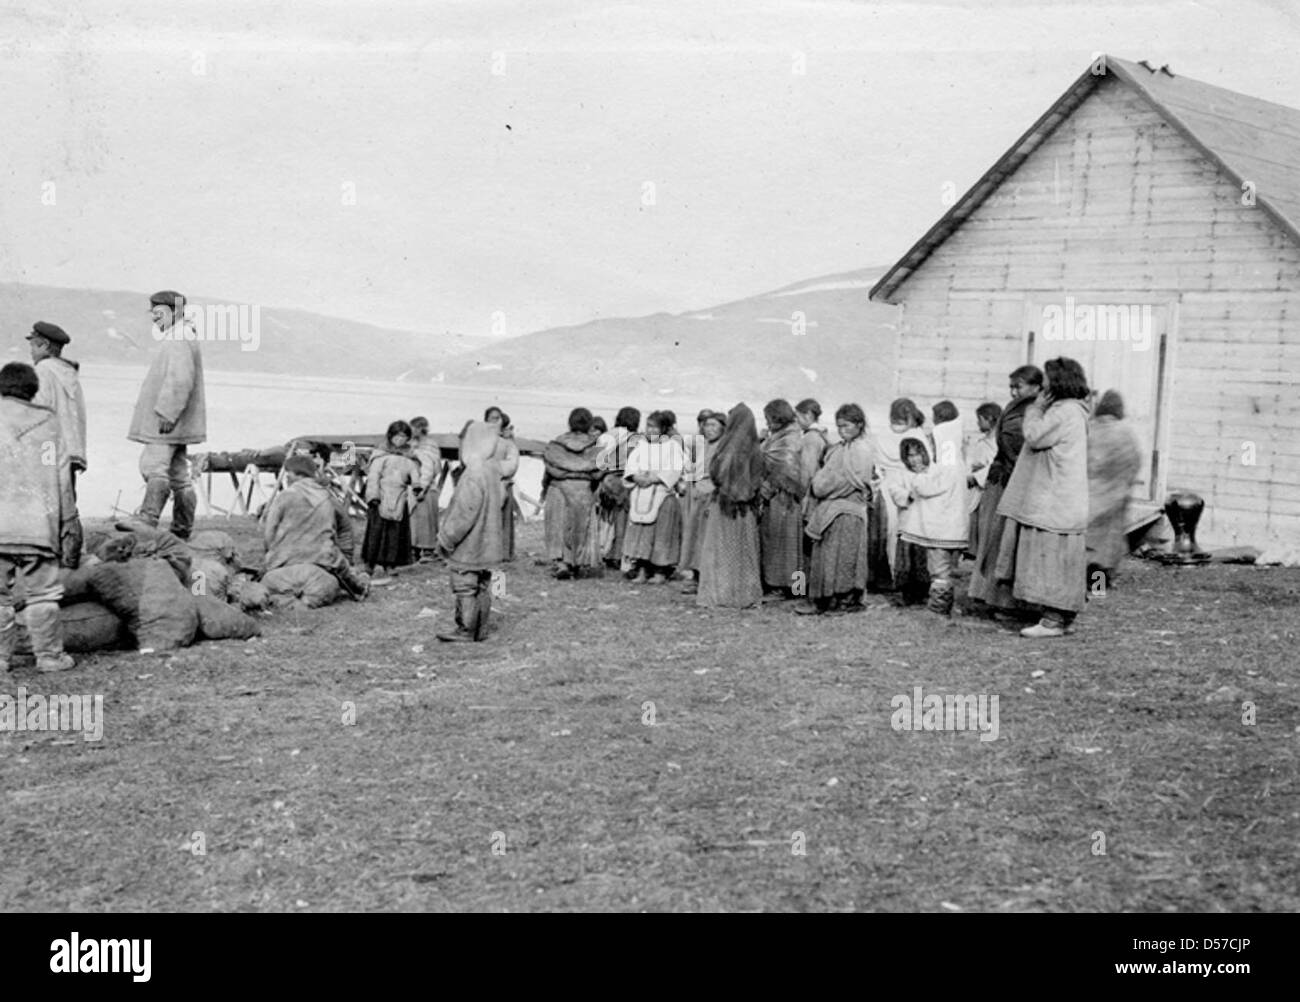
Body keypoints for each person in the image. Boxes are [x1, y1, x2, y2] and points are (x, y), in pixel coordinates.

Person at [996, 357, 1091, 638]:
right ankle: (1058, 616)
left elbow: (1034, 436)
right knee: (1060, 559)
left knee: (1050, 559)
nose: (1043, 388)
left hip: (1054, 499)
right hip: (1063, 499)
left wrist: (1035, 408)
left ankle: (1052, 621)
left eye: (1047, 382)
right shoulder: (1074, 410)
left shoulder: (1062, 413)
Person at [0, 362, 77, 673]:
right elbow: (62, 477)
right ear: (32, 391)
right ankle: (49, 657)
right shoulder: (49, 422)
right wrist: (69, 519)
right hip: (38, 525)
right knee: (43, 594)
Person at [128, 290, 206, 540]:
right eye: (154, 314)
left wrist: (167, 412)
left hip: (167, 421)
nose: (155, 319)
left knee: (154, 467)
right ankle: (182, 529)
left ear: (176, 312)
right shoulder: (183, 335)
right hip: (179, 422)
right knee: (179, 476)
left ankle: (148, 520)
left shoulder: (178, 338)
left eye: (160, 314)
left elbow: (180, 379)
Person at [967, 365, 1044, 618]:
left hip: (1016, 484)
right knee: (996, 540)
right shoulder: (1017, 408)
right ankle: (991, 595)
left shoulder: (1035, 412)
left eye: (1018, 386)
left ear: (1035, 386)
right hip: (1002, 481)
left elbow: (1023, 450)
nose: (1013, 392)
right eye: (1011, 386)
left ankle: (1013, 603)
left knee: (1010, 543)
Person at [798, 403, 878, 615]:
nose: (842, 430)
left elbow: (845, 480)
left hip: (847, 509)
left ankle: (843, 600)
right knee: (828, 555)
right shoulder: (841, 447)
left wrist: (820, 485)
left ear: (859, 425)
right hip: (832, 506)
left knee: (844, 557)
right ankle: (825, 598)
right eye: (839, 426)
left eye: (847, 425)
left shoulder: (860, 450)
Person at [263, 455, 369, 600]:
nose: (287, 479)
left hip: (285, 557)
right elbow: (345, 528)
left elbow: (270, 531)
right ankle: (359, 587)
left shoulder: (284, 496)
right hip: (324, 557)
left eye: (289, 475)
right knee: (352, 581)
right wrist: (347, 559)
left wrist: (271, 553)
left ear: (299, 474)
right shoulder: (327, 496)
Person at [435, 421, 504, 642]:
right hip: (488, 543)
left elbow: (463, 513)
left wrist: (446, 539)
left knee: (464, 585)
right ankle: (480, 628)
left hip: (470, 544)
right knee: (482, 584)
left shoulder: (473, 473)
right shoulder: (492, 470)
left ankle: (465, 629)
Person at [889, 434, 969, 616]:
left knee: (937, 567)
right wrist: (906, 495)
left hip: (935, 528)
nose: (915, 459)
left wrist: (917, 483)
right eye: (909, 456)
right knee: (916, 563)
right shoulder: (902, 473)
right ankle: (914, 596)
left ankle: (938, 606)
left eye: (918, 454)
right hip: (913, 526)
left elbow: (926, 488)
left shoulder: (939, 471)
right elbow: (895, 490)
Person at [28, 322, 87, 568]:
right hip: (72, 450)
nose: (31, 350)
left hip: (50, 450)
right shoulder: (69, 374)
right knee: (68, 505)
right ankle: (70, 559)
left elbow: (38, 413)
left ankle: (53, 560)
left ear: (43, 345)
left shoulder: (42, 371)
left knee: (49, 508)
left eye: (33, 344)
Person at [696, 403, 764, 609]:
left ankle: (722, 594)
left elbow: (717, 473)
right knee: (743, 552)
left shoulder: (729, 447)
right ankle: (744, 594)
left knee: (721, 550)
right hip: (746, 510)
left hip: (725, 506)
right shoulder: (755, 448)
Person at [1086, 390, 1143, 591]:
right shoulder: (1125, 433)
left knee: (1090, 547)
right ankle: (1100, 585)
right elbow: (1135, 461)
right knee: (1108, 548)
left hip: (1091, 495)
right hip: (1116, 497)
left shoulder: (1090, 430)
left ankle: (1088, 583)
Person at [623, 410, 685, 584]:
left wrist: (654, 478)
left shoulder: (672, 446)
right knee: (641, 533)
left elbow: (675, 469)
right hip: (641, 494)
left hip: (661, 493)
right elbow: (631, 465)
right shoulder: (640, 445)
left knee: (662, 534)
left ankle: (660, 571)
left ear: (663, 429)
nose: (650, 430)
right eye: (648, 426)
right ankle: (642, 569)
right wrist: (636, 477)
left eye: (654, 427)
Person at [543, 407, 602, 579]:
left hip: (559, 488)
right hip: (583, 489)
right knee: (581, 527)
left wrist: (564, 475)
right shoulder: (596, 447)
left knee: (558, 525)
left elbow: (549, 470)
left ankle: (562, 563)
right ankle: (578, 562)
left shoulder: (555, 445)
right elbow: (598, 473)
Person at [875, 397, 930, 577]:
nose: (896, 425)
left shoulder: (917, 436)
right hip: (891, 486)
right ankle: (891, 573)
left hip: (911, 485)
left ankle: (904, 575)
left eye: (901, 421)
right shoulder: (889, 435)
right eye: (895, 421)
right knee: (891, 529)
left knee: (905, 531)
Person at [758, 399, 805, 598]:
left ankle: (786, 587)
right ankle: (793, 587)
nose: (767, 423)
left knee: (784, 544)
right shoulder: (780, 435)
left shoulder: (790, 438)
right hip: (780, 497)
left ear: (778, 418)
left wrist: (766, 489)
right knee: (784, 544)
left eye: (769, 419)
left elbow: (784, 469)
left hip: (783, 497)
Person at [362, 421, 418, 582]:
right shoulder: (380, 453)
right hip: (380, 497)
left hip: (399, 498)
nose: (400, 440)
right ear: (390, 436)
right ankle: (370, 564)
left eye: (404, 436)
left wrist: (414, 485)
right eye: (397, 436)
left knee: (395, 533)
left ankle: (390, 564)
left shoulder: (409, 455)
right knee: (376, 532)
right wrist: (373, 496)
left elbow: (413, 474)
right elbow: (373, 476)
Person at [680, 410, 725, 594]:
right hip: (698, 494)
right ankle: (696, 576)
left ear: (723, 427)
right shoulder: (701, 445)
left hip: (714, 496)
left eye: (714, 425)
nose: (709, 429)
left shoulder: (724, 447)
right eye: (707, 425)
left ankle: (709, 579)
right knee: (695, 536)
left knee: (709, 538)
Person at [594, 406, 641, 571]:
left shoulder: (607, 436)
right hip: (628, 481)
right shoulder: (637, 438)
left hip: (608, 479)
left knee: (606, 519)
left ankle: (603, 552)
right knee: (623, 520)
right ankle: (618, 555)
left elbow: (599, 462)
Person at [795, 398, 831, 567]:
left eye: (798, 417)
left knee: (801, 550)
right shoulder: (823, 436)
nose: (797, 421)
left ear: (808, 415)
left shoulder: (810, 438)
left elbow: (806, 473)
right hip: (818, 498)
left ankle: (799, 588)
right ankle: (806, 588)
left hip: (808, 498)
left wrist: (798, 497)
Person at [965, 402, 1002, 554]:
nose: (978, 423)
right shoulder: (982, 441)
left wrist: (978, 476)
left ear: (989, 419)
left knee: (985, 522)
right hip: (976, 488)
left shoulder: (997, 442)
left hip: (988, 488)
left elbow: (995, 464)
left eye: (980, 420)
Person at [408, 416, 442, 563]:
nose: (412, 431)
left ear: (422, 428)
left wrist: (422, 487)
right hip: (414, 485)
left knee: (426, 521)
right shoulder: (413, 444)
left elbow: (429, 468)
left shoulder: (429, 445)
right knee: (414, 521)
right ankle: (414, 551)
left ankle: (428, 551)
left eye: (415, 428)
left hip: (425, 488)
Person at [495, 411, 521, 562]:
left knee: (503, 519)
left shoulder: (509, 445)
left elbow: (511, 466)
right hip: (492, 482)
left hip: (503, 483)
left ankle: (503, 553)